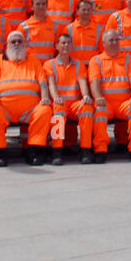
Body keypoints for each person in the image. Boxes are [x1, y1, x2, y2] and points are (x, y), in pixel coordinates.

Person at [0, 30, 54, 166]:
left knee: (45, 110)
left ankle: (34, 150)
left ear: (25, 44)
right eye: (13, 42)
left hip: (30, 109)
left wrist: (45, 98)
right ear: (7, 45)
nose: (16, 44)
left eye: (19, 41)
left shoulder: (33, 60)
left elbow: (43, 83)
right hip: (5, 109)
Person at [88, 28, 131, 162]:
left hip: (124, 103)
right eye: (111, 40)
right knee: (99, 113)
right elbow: (94, 82)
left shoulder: (128, 59)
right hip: (105, 103)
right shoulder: (96, 60)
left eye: (116, 40)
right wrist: (98, 98)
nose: (114, 43)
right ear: (103, 43)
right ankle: (100, 150)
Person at [47, 32, 94, 164]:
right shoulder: (49, 64)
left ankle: (86, 149)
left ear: (72, 46)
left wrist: (85, 96)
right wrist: (56, 97)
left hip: (74, 104)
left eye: (68, 43)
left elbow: (83, 82)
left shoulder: (79, 65)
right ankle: (57, 151)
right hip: (59, 102)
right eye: (63, 43)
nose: (66, 46)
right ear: (57, 46)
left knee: (87, 108)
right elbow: (50, 83)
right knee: (59, 111)